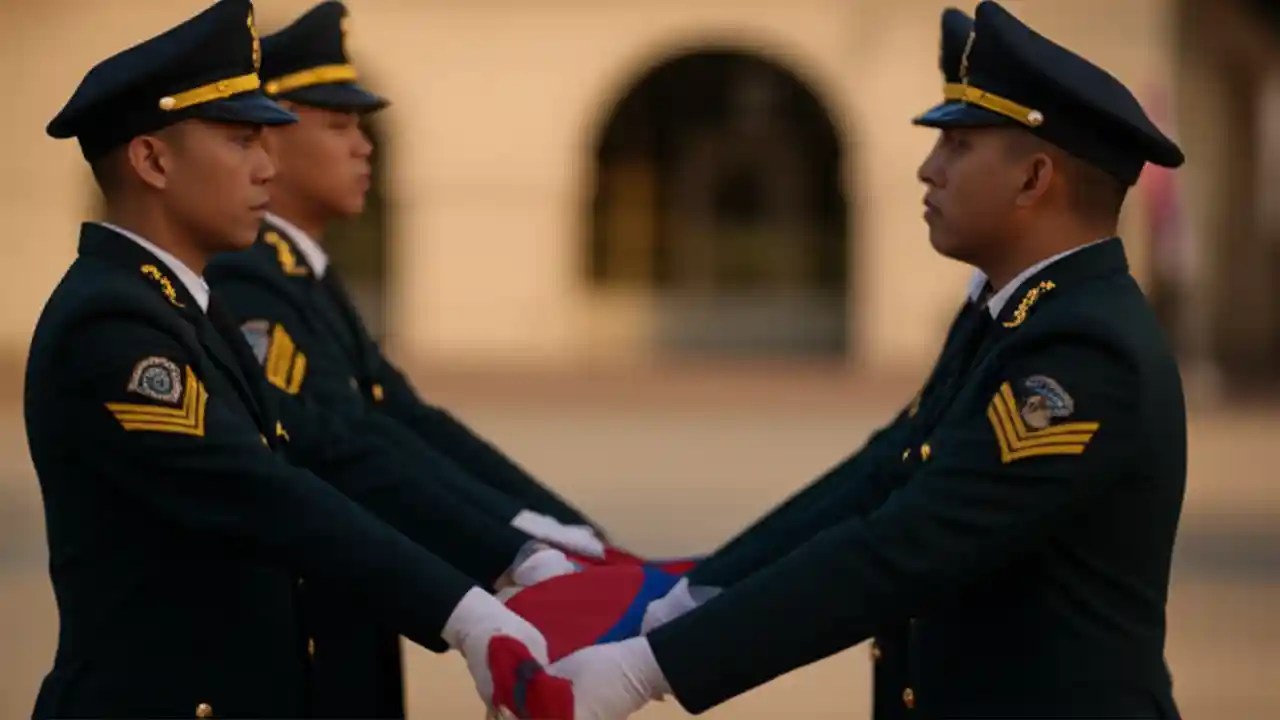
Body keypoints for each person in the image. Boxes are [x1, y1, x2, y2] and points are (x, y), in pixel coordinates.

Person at [549, 2, 1188, 718]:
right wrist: (693, 595)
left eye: (959, 147)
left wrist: (650, 667)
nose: (927, 169)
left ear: (1034, 178)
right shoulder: (1011, 314)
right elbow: (885, 472)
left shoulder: (1082, 352)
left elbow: (908, 545)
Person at [28, 2, 571, 717]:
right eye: (241, 140)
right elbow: (255, 488)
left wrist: (528, 545)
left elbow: (383, 427)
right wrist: (466, 611)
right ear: (153, 159)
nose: (266, 166)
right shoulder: (112, 321)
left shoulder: (177, 302)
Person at [207, 0, 613, 550]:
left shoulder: (305, 272)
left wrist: (560, 525)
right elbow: (333, 446)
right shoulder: (249, 276)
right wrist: (512, 546)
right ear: (271, 137)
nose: (364, 146)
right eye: (339, 126)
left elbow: (412, 422)